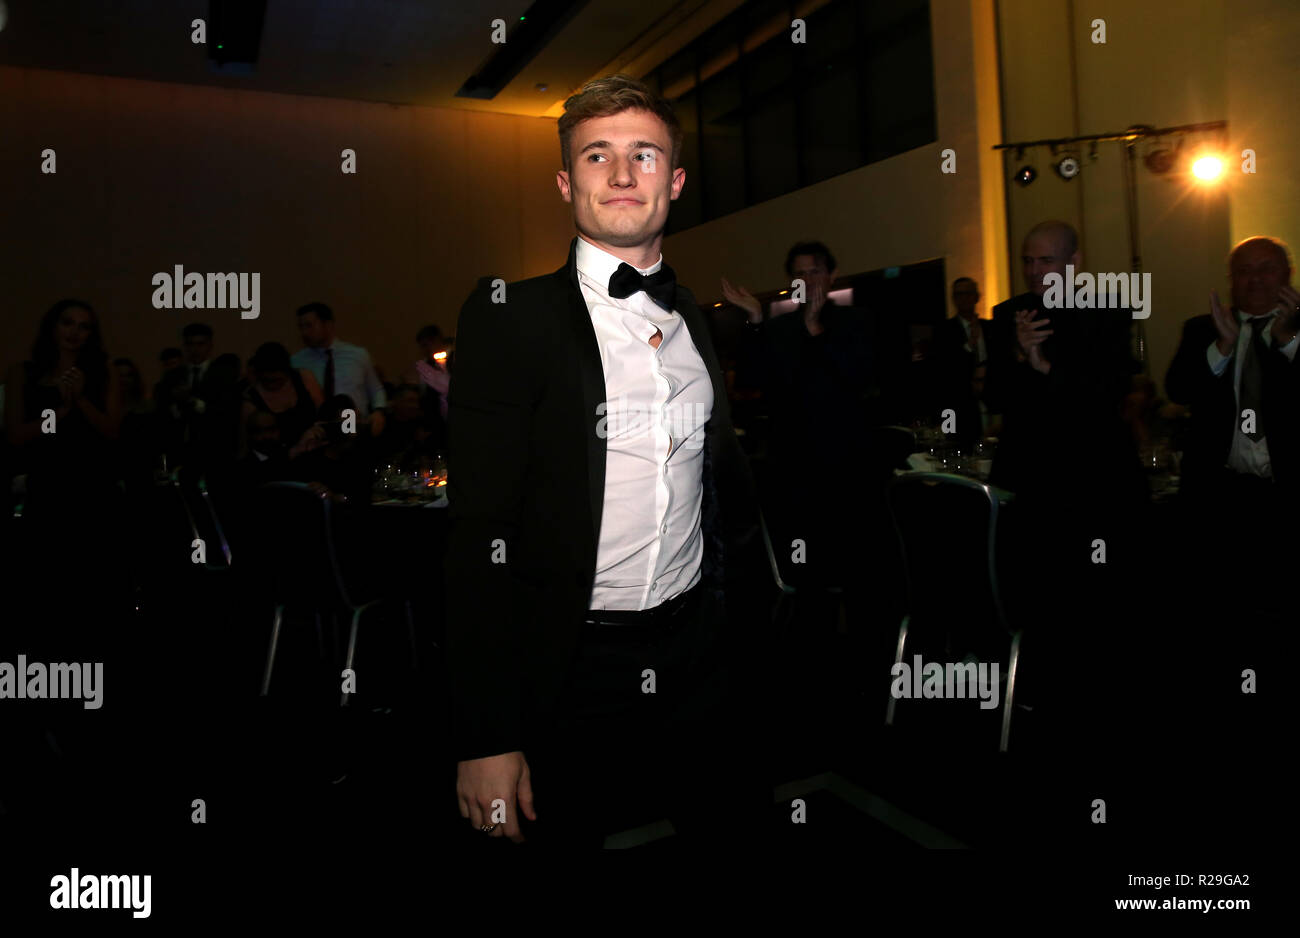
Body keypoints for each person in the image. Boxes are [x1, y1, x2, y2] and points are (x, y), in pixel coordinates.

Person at [445, 74, 772, 849]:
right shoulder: (508, 320)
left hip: (701, 653)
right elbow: (476, 535)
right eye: (598, 155)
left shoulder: (697, 317)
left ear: (677, 181)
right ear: (566, 182)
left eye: (644, 155)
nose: (622, 174)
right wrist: (485, 734)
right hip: (569, 666)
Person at [723, 242, 877, 594]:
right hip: (794, 467)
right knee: (803, 566)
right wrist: (756, 320)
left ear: (832, 275)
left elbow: (857, 379)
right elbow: (751, 380)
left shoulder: (856, 322)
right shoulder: (780, 328)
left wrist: (813, 329)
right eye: (799, 274)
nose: (806, 280)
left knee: (851, 565)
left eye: (815, 271)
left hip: (845, 467)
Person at [153, 323, 242, 473]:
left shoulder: (224, 375)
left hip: (214, 449)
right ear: (184, 346)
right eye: (190, 344)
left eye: (200, 344)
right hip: (180, 449)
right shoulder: (172, 376)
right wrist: (177, 406)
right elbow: (163, 415)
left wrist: (191, 401)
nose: (195, 350)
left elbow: (226, 414)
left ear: (210, 345)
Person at [291, 303, 386, 435]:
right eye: (301, 327)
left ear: (328, 325)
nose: (304, 332)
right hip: (319, 432)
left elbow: (376, 390)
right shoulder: (296, 362)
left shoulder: (358, 355)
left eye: (309, 326)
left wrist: (379, 412)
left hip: (356, 429)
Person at [239, 341, 324, 459]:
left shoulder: (305, 379)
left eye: (278, 380)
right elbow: (246, 446)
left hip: (314, 452)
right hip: (277, 462)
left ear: (287, 372)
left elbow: (323, 413)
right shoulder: (251, 400)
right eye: (267, 381)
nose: (272, 385)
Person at [932, 277, 988, 448]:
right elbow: (943, 368)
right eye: (958, 295)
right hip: (958, 404)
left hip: (989, 399)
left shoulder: (989, 327)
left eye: (967, 294)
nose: (963, 299)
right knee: (959, 446)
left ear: (977, 297)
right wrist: (968, 346)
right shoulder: (944, 331)